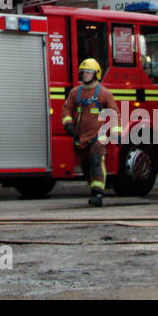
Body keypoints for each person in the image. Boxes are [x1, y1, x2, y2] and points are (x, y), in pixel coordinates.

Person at [61, 57, 122, 207]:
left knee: (96, 161)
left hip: (98, 136)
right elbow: (67, 108)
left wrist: (117, 133)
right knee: (86, 165)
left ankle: (98, 193)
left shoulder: (104, 93)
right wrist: (68, 124)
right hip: (81, 136)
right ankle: (94, 186)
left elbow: (114, 114)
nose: (85, 75)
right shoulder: (76, 93)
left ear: (96, 74)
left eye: (88, 72)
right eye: (83, 72)